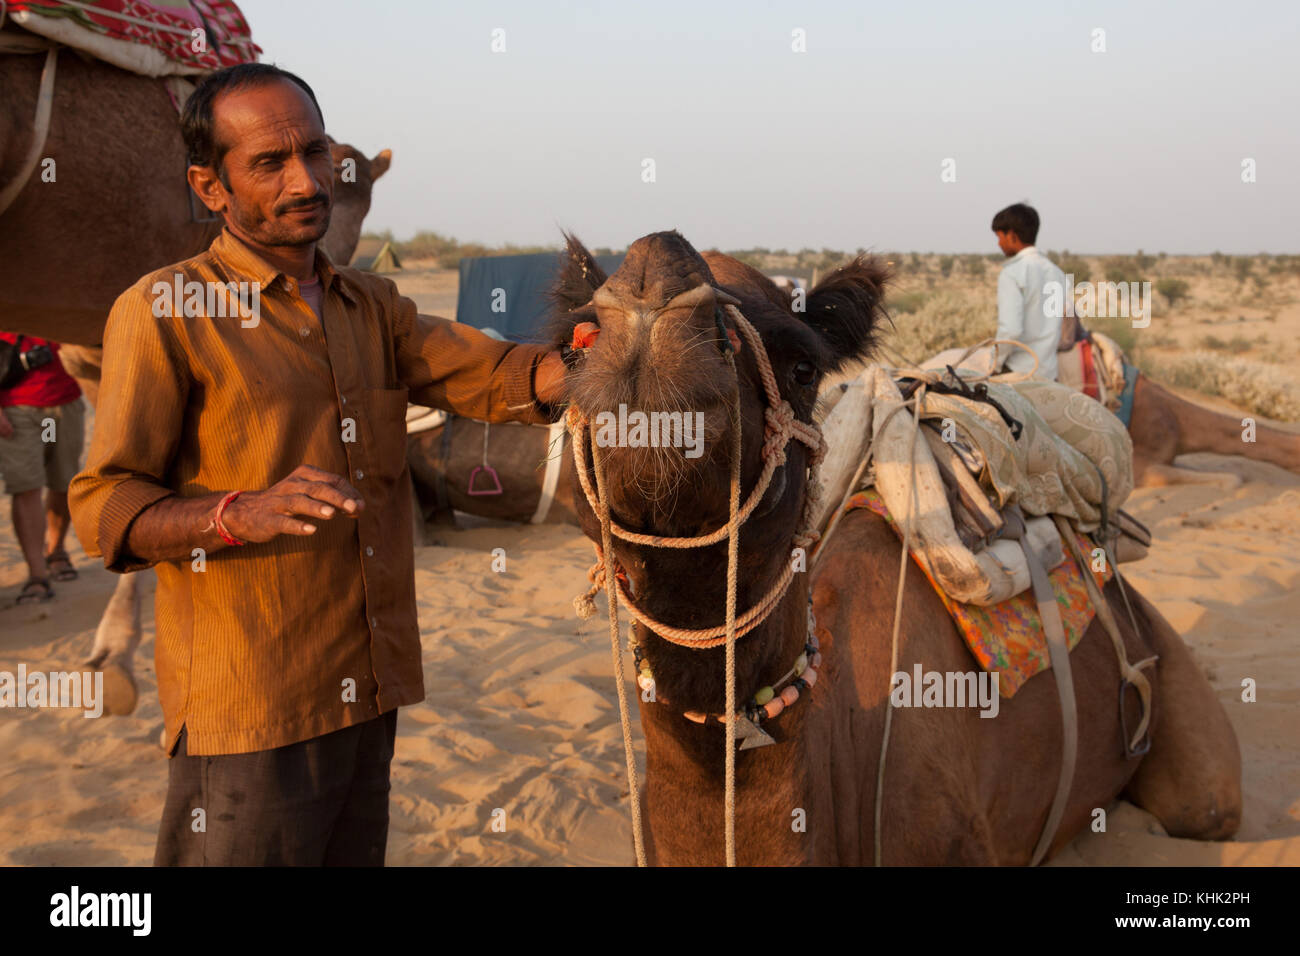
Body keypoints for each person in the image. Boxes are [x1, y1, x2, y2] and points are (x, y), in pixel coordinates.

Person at [68, 63, 567, 866]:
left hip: (370, 686)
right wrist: (234, 513)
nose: (306, 181)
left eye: (315, 155)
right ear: (210, 186)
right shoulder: (166, 310)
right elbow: (103, 502)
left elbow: (502, 375)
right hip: (252, 706)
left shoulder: (370, 305)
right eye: (269, 163)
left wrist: (607, 354)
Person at [0, 333, 85, 604]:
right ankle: (37, 574)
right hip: (16, 408)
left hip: (64, 403)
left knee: (62, 482)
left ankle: (56, 550)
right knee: (26, 486)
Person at [991, 203, 1069, 380]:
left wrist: (994, 365)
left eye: (999, 237)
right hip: (1049, 373)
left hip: (1018, 371)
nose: (999, 243)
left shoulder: (1012, 273)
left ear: (1011, 235)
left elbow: (1010, 330)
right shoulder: (1057, 273)